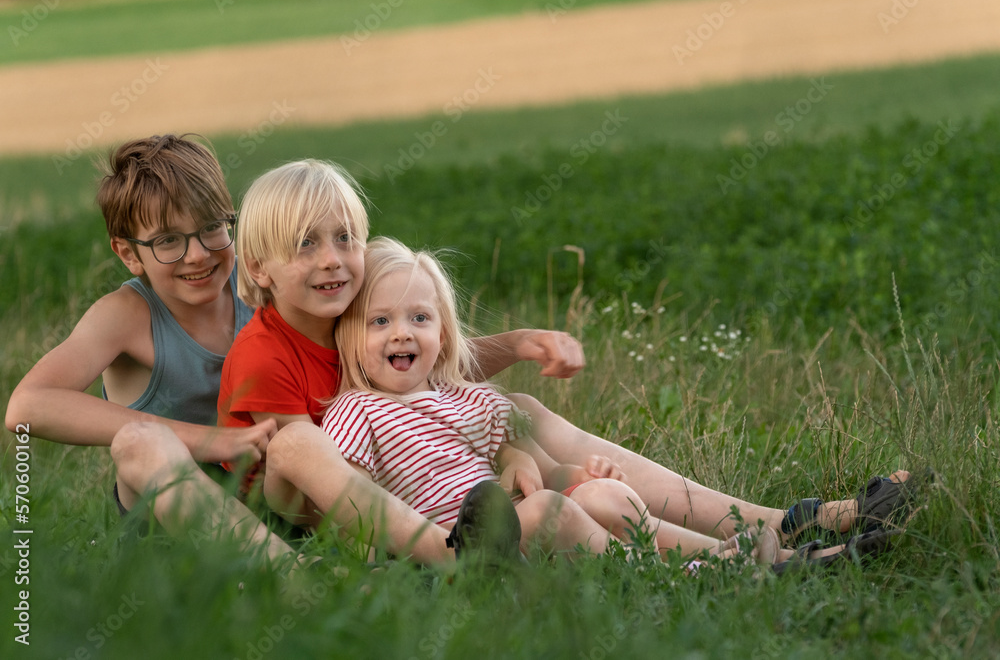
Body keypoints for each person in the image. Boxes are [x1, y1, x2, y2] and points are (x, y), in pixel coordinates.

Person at [220, 157, 917, 563]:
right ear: (261, 267)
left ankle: (767, 523)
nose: (332, 258)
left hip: (421, 486)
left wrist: (520, 353)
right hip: (331, 523)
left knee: (519, 414)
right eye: (307, 246)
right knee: (313, 443)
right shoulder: (270, 349)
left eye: (344, 238)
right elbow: (303, 488)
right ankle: (747, 546)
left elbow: (431, 380)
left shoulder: (351, 301)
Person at [323, 236, 786, 563]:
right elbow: (355, 504)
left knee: (604, 494)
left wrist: (582, 474)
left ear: (443, 335)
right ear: (347, 337)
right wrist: (371, 564)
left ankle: (733, 554)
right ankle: (679, 571)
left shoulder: (469, 399)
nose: (402, 331)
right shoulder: (355, 410)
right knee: (550, 510)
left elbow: (545, 473)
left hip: (520, 520)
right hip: (461, 550)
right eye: (379, 321)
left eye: (419, 317)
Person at [3, 135, 293, 565]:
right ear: (128, 254)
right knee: (138, 443)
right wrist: (209, 441)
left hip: (270, 493)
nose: (197, 254)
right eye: (168, 241)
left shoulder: (257, 282)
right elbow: (26, 406)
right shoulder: (125, 314)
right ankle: (287, 572)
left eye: (213, 226)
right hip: (170, 518)